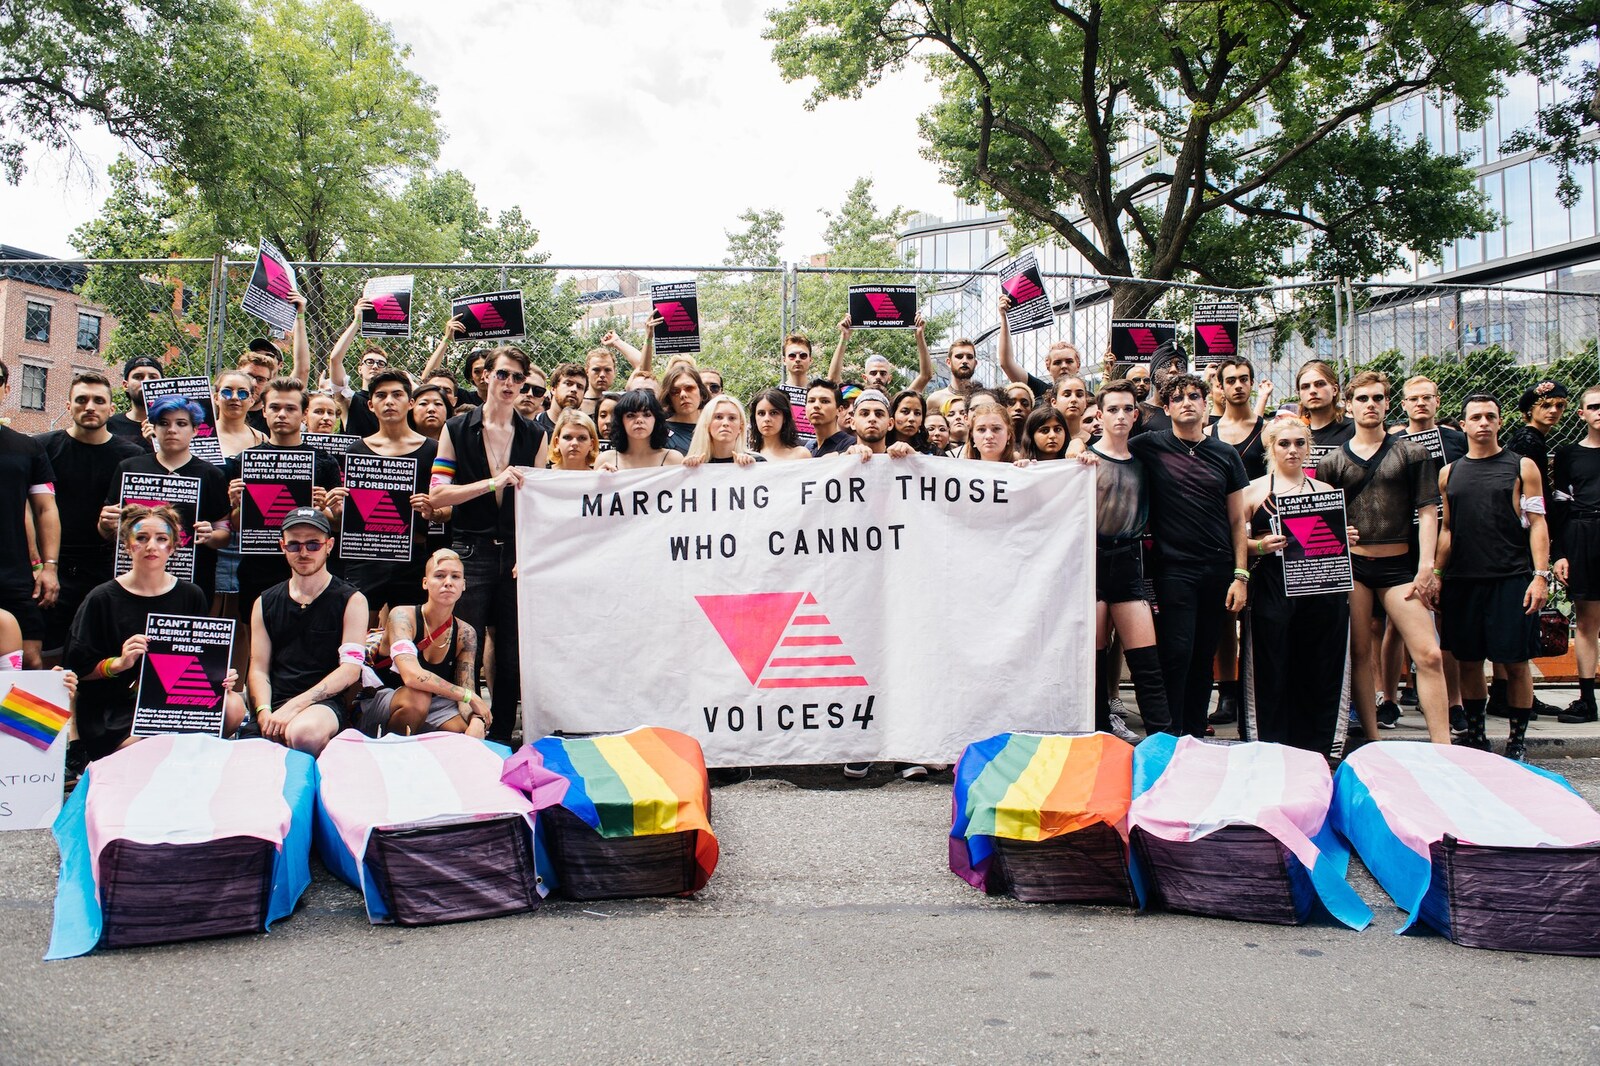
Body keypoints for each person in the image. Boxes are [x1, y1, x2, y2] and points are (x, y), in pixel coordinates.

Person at [1315, 371, 1451, 744]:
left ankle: (1444, 746)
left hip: (1399, 567)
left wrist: (1427, 568)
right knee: (1359, 654)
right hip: (1354, 568)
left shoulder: (1412, 453)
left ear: (1389, 404)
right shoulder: (1331, 461)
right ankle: (1371, 741)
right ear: (1349, 405)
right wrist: (1338, 531)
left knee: (1429, 654)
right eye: (1362, 399)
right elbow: (1323, 521)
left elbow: (1428, 512)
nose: (1370, 405)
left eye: (1377, 398)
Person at [431, 346, 549, 746]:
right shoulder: (457, 429)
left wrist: (530, 552)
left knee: (514, 650)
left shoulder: (535, 434)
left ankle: (501, 733)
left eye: (520, 378)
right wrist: (492, 483)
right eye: (503, 375)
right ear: (485, 376)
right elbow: (438, 497)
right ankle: (465, 725)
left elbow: (539, 505)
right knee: (467, 642)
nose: (511, 384)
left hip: (516, 553)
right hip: (470, 549)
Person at [67, 503, 244, 759]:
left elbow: (200, 655)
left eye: (161, 539)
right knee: (156, 746)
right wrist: (118, 663)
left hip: (171, 701)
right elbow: (78, 670)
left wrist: (217, 675)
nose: (152, 546)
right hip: (115, 706)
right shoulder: (101, 598)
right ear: (127, 546)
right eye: (141, 538)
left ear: (173, 547)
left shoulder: (190, 594)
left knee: (234, 707)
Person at [1128, 373, 1250, 736]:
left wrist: (1240, 575)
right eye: (1178, 398)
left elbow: (1237, 521)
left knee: (1203, 655)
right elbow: (1110, 450)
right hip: (1172, 569)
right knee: (1176, 653)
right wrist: (1076, 450)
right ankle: (1170, 735)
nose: (1186, 402)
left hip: (1217, 569)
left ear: (1206, 405)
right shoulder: (1150, 444)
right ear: (1166, 407)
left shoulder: (1225, 455)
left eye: (1194, 396)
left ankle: (1196, 733)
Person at [1431, 393, 1550, 761]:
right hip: (1463, 581)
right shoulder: (1449, 473)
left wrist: (1540, 575)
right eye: (1476, 417)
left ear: (1500, 422)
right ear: (1463, 425)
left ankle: (1517, 739)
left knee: (1515, 663)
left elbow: (1538, 524)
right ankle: (1477, 736)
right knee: (1468, 661)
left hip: (1511, 578)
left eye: (1490, 416)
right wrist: (1436, 573)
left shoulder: (1522, 466)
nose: (1483, 423)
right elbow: (1447, 529)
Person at [1238, 414, 1355, 756]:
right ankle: (1268, 743)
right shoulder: (1253, 491)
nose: (1292, 450)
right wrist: (1260, 545)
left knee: (1320, 663)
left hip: (1322, 589)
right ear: (1271, 447)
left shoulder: (1326, 491)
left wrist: (1343, 536)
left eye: (1299, 443)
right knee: (1271, 662)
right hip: (1273, 586)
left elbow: (1333, 545)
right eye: (1284, 444)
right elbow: (1234, 542)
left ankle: (1318, 745)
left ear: (1309, 447)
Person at [39, 372, 145, 661]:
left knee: (99, 653)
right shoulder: (43, 448)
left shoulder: (131, 456)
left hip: (106, 565)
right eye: (82, 400)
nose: (90, 407)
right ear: (68, 405)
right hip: (53, 564)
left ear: (111, 409)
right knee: (45, 654)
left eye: (99, 401)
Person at [247, 507, 368, 757]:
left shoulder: (352, 600)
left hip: (322, 703)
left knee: (303, 733)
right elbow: (258, 668)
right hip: (275, 700)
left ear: (329, 545)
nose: (303, 552)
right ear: (282, 546)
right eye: (294, 545)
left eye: (313, 545)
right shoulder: (264, 602)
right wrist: (263, 711)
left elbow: (350, 669)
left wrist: (295, 706)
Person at [1085, 379, 1167, 743]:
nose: (1120, 416)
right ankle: (1100, 733)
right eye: (1112, 409)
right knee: (1096, 658)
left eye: (1126, 409)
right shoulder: (1084, 458)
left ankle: (1163, 738)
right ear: (1099, 415)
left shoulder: (1145, 460)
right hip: (1092, 560)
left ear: (1136, 414)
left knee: (1146, 659)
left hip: (1130, 561)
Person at [104, 396, 232, 601]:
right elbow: (108, 531)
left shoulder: (211, 474)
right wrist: (106, 522)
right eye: (164, 423)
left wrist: (211, 535)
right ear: (153, 427)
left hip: (190, 582)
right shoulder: (129, 468)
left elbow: (224, 533)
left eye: (181, 423)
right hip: (133, 580)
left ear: (195, 430)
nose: (172, 429)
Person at [342, 372, 442, 622]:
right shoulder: (356, 451)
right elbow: (347, 514)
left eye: (397, 395)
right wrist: (337, 505)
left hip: (413, 554)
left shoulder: (432, 450)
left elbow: (448, 507)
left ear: (410, 403)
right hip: (366, 555)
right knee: (359, 630)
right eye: (381, 395)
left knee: (408, 632)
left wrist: (434, 510)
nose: (389, 401)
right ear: (370, 404)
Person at [359, 549, 488, 738]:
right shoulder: (402, 616)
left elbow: (468, 693)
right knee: (418, 698)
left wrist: (477, 720)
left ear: (464, 585)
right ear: (425, 583)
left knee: (465, 733)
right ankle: (394, 756)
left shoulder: (465, 633)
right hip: (384, 699)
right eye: (440, 576)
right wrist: (467, 696)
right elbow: (412, 676)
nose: (448, 583)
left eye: (455, 577)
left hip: (435, 704)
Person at [0, 362, 60, 669]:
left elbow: (44, 508)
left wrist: (49, 567)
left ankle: (14, 722)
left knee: (29, 661)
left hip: (13, 574)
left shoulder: (27, 447)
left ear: (7, 389)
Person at [1552, 383, 1600, 723]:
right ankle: (1586, 699)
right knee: (1586, 621)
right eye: (1594, 407)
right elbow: (1560, 506)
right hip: (1583, 533)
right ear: (1581, 413)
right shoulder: (1569, 454)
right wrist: (1561, 553)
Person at [997, 291, 1080, 397]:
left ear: (1078, 365)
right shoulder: (1041, 391)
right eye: (1057, 363)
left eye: (1069, 361)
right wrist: (1004, 317)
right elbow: (1007, 363)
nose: (1064, 366)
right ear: (1048, 366)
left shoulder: (1089, 398)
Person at [598, 389, 686, 471]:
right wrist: (598, 479)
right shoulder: (605, 460)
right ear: (621, 421)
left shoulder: (673, 459)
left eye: (647, 414)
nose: (639, 420)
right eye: (631, 415)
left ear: (656, 419)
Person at [684, 395, 762, 467]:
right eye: (718, 417)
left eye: (732, 418)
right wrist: (688, 470)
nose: (725, 423)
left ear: (741, 427)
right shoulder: (693, 465)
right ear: (707, 424)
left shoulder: (757, 462)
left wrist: (752, 469)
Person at [105, 355, 163, 450]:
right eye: (138, 377)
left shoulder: (175, 426)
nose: (146, 381)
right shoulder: (109, 425)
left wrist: (158, 444)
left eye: (153, 377)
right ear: (125, 385)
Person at [1296, 359, 1354, 453]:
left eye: (1319, 384)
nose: (1312, 391)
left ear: (1334, 390)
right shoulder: (1295, 436)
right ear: (1299, 394)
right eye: (1305, 386)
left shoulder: (1354, 430)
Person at [844, 390, 916, 462]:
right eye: (865, 414)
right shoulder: (841, 459)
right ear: (853, 423)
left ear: (890, 424)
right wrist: (843, 462)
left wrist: (915, 460)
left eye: (879, 414)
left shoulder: (903, 458)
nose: (872, 418)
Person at [777, 334, 821, 446]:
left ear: (810, 360)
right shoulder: (776, 395)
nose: (797, 359)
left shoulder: (820, 392)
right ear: (784, 360)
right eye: (792, 356)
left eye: (803, 356)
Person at [749, 388, 813, 461]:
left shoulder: (801, 455)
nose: (767, 419)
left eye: (774, 413)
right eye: (761, 413)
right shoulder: (749, 457)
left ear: (785, 417)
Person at [926, 336, 984, 412]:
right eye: (959, 357)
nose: (965, 361)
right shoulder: (935, 400)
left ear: (975, 363)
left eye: (969, 357)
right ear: (948, 362)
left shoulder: (984, 399)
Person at [660, 363, 708, 453]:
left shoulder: (716, 425)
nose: (683, 395)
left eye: (689, 388)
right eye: (675, 391)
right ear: (668, 398)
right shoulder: (661, 431)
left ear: (701, 393)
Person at [807, 379, 855, 457]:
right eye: (811, 401)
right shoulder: (808, 448)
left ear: (839, 410)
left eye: (825, 401)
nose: (816, 405)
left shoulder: (851, 446)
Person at [886, 389, 929, 454]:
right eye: (905, 412)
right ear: (893, 414)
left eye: (917, 413)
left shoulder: (933, 452)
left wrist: (916, 456)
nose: (912, 418)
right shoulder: (878, 447)